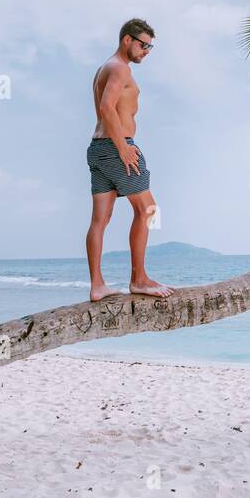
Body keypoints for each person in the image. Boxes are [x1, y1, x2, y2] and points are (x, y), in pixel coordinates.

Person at [85, 18, 172, 301]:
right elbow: (107, 107)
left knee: (100, 219)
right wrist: (123, 147)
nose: (146, 51)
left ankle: (97, 285)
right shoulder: (120, 69)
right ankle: (139, 279)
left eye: (150, 47)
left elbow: (105, 108)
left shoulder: (105, 67)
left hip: (98, 148)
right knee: (148, 209)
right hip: (115, 146)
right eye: (143, 45)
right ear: (127, 40)